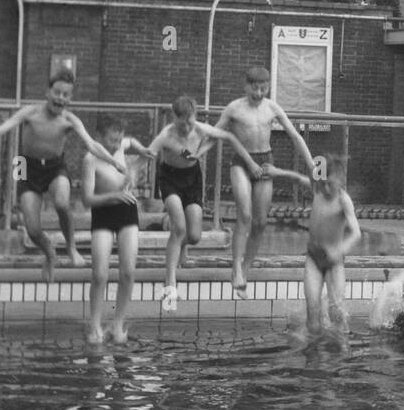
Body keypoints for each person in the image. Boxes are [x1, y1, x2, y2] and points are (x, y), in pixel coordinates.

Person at [0, 68, 124, 282]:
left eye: (66, 95)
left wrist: (113, 161)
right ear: (47, 93)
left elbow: (91, 144)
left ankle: (71, 248)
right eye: (57, 92)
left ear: (70, 98)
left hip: (55, 166)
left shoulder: (69, 120)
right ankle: (48, 251)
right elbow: (0, 130)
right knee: (31, 228)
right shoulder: (29, 113)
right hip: (24, 165)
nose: (60, 98)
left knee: (61, 203)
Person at [145, 95, 265, 297]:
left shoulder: (201, 129)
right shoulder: (166, 135)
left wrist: (251, 163)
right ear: (174, 118)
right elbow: (148, 154)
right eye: (182, 123)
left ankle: (180, 247)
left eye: (190, 122)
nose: (186, 128)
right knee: (179, 227)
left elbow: (230, 137)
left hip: (192, 179)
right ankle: (170, 282)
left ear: (195, 117)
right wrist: (129, 176)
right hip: (169, 179)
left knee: (194, 236)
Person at [215, 65, 316, 293]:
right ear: (246, 86)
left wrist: (311, 164)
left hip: (265, 161)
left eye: (263, 89)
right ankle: (236, 269)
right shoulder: (234, 108)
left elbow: (294, 135)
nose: (259, 94)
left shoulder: (272, 108)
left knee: (260, 222)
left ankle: (246, 269)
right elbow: (215, 134)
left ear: (268, 87)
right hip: (241, 163)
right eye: (254, 89)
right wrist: (192, 154)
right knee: (246, 215)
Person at [82, 117, 154, 345]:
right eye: (112, 141)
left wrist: (141, 148)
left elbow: (130, 142)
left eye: (118, 140)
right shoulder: (90, 160)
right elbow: (86, 200)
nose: (116, 145)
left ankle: (118, 323)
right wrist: (114, 195)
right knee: (99, 274)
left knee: (128, 272)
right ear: (99, 138)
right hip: (103, 212)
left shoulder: (122, 145)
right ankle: (95, 325)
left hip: (127, 212)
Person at [275, 154, 360, 336]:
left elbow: (356, 233)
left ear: (340, 181)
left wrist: (340, 250)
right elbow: (296, 178)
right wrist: (276, 172)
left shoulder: (344, 201)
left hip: (334, 261)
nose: (327, 188)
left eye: (331, 184)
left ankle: (341, 350)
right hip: (313, 257)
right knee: (312, 314)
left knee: (336, 312)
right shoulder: (318, 189)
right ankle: (313, 357)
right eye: (324, 183)